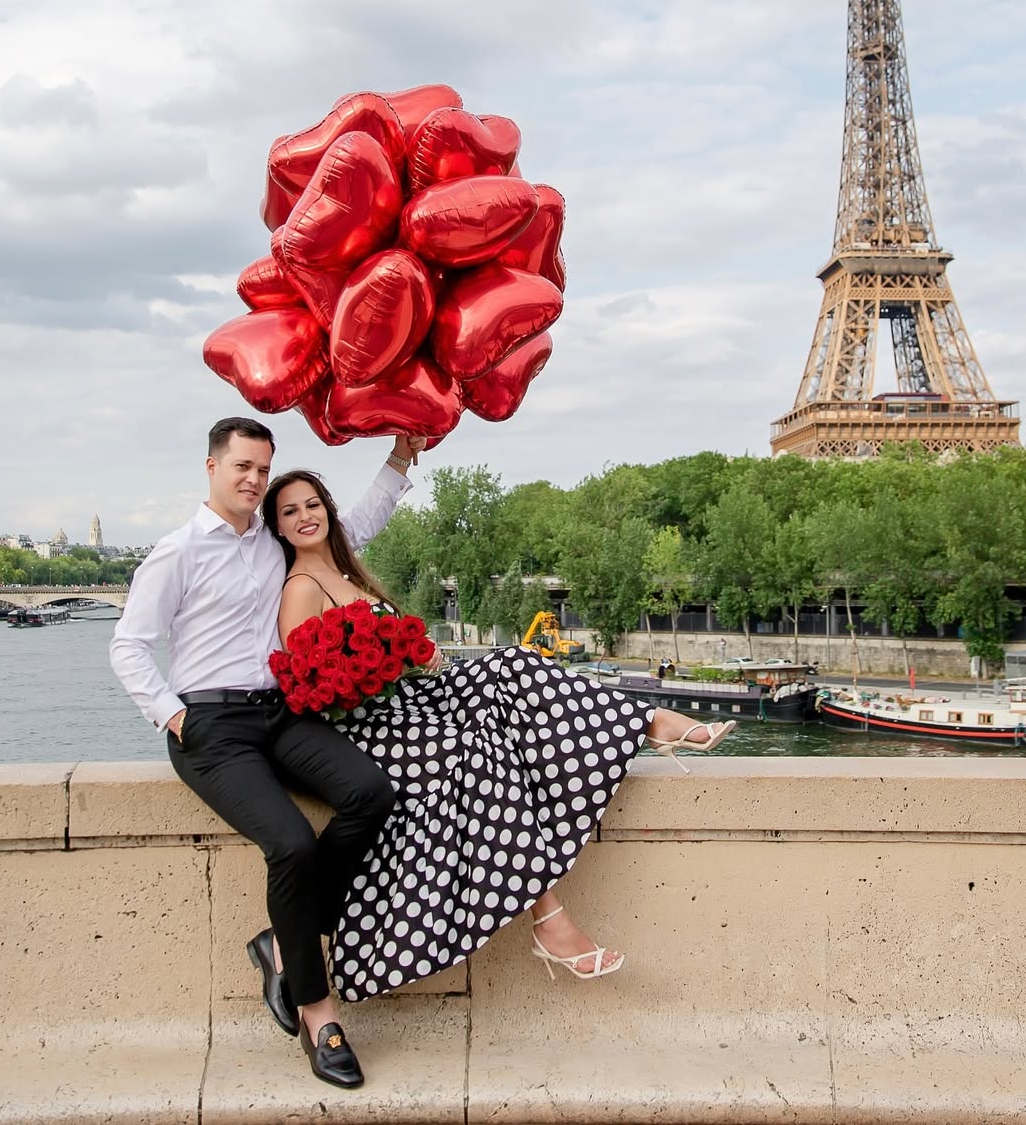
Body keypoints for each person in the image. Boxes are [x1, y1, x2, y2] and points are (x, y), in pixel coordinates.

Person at [262, 469, 736, 1007]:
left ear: (327, 507)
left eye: (311, 504)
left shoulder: (349, 573)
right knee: (474, 750)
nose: (304, 517)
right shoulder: (300, 587)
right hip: (372, 726)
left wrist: (416, 656)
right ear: (277, 528)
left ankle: (649, 722)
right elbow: (307, 683)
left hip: (412, 699)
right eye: (289, 511)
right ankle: (550, 917)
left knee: (514, 662)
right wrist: (387, 663)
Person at [110, 417, 424, 1090]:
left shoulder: (272, 541)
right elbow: (128, 646)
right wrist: (175, 718)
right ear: (212, 468)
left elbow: (351, 527)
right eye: (241, 468)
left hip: (279, 714)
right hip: (211, 726)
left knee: (371, 794)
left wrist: (400, 458)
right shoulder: (178, 552)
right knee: (290, 843)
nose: (253, 480)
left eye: (262, 468)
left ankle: (282, 941)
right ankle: (319, 1012)